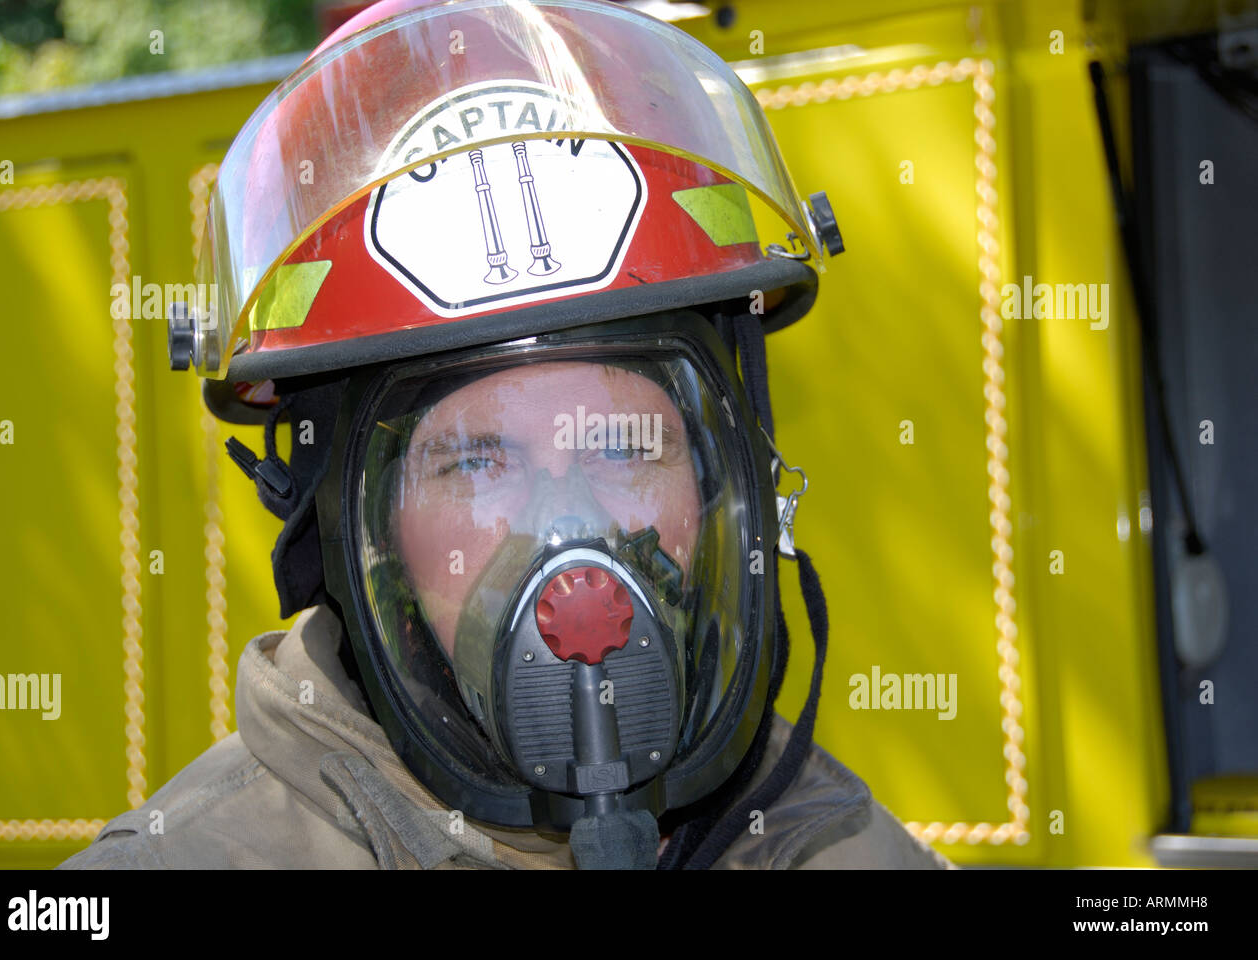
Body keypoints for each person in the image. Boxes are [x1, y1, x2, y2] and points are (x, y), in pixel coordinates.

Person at [60, 0, 949, 870]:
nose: (569, 536)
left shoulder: (842, 849)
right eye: (477, 461)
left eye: (625, 445)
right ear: (347, 528)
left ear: (728, 477)